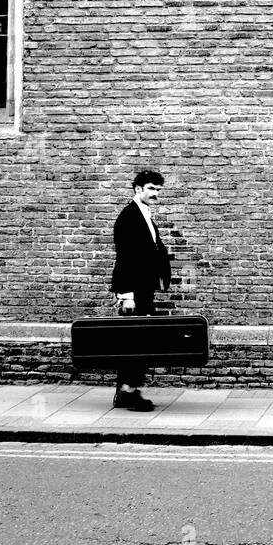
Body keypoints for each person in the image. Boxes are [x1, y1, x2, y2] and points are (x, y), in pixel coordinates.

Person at [109, 169, 172, 411]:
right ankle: (128, 392)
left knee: (136, 340)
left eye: (158, 190)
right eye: (152, 189)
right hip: (134, 292)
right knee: (135, 341)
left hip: (143, 289)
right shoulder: (129, 217)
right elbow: (125, 258)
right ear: (138, 189)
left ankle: (127, 391)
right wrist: (126, 296)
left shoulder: (142, 214)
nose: (156, 194)